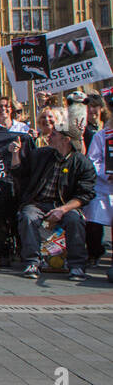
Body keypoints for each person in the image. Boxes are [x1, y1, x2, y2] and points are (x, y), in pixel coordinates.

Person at [12, 122, 96, 280]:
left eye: (54, 134)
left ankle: (77, 266)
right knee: (28, 217)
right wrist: (15, 153)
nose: (49, 136)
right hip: (38, 203)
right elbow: (19, 173)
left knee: (75, 220)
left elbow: (85, 195)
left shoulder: (82, 163)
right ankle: (32, 262)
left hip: (65, 205)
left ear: (66, 140)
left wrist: (62, 210)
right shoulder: (40, 155)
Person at [84, 97, 112, 278]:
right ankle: (95, 252)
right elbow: (93, 160)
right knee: (93, 219)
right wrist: (107, 172)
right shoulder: (102, 136)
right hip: (104, 186)